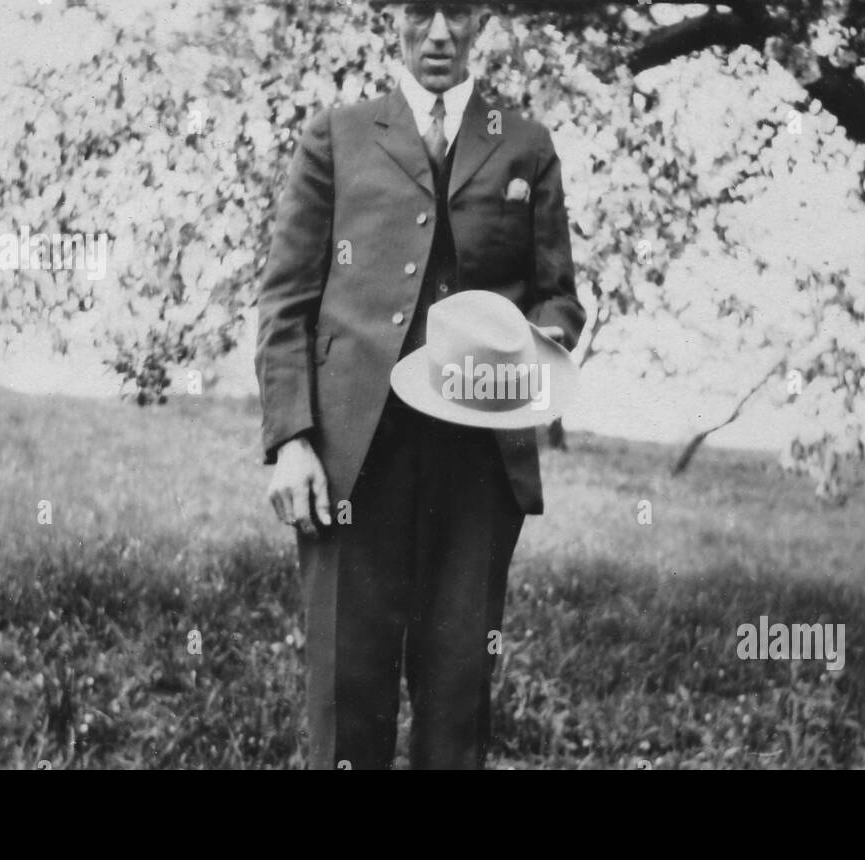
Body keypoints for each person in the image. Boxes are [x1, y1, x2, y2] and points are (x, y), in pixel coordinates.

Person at [256, 1, 584, 769]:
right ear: (392, 22)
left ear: (483, 25)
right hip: (352, 463)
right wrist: (292, 440)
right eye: (419, 10)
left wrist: (540, 349)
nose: (439, 31)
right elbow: (287, 303)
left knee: (457, 707)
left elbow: (558, 295)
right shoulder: (335, 137)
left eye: (459, 11)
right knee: (347, 703)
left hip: (475, 467)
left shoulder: (526, 147)